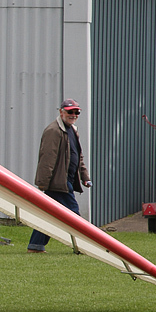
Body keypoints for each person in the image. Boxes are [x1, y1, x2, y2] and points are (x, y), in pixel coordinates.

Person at [30, 99, 92, 252]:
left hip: (67, 180)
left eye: (76, 112)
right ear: (61, 112)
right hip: (59, 183)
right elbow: (47, 158)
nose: (73, 115)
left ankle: (35, 246)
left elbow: (78, 157)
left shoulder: (72, 130)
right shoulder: (54, 131)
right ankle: (83, 245)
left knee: (49, 215)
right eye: (70, 111)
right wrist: (43, 183)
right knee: (73, 214)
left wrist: (85, 177)